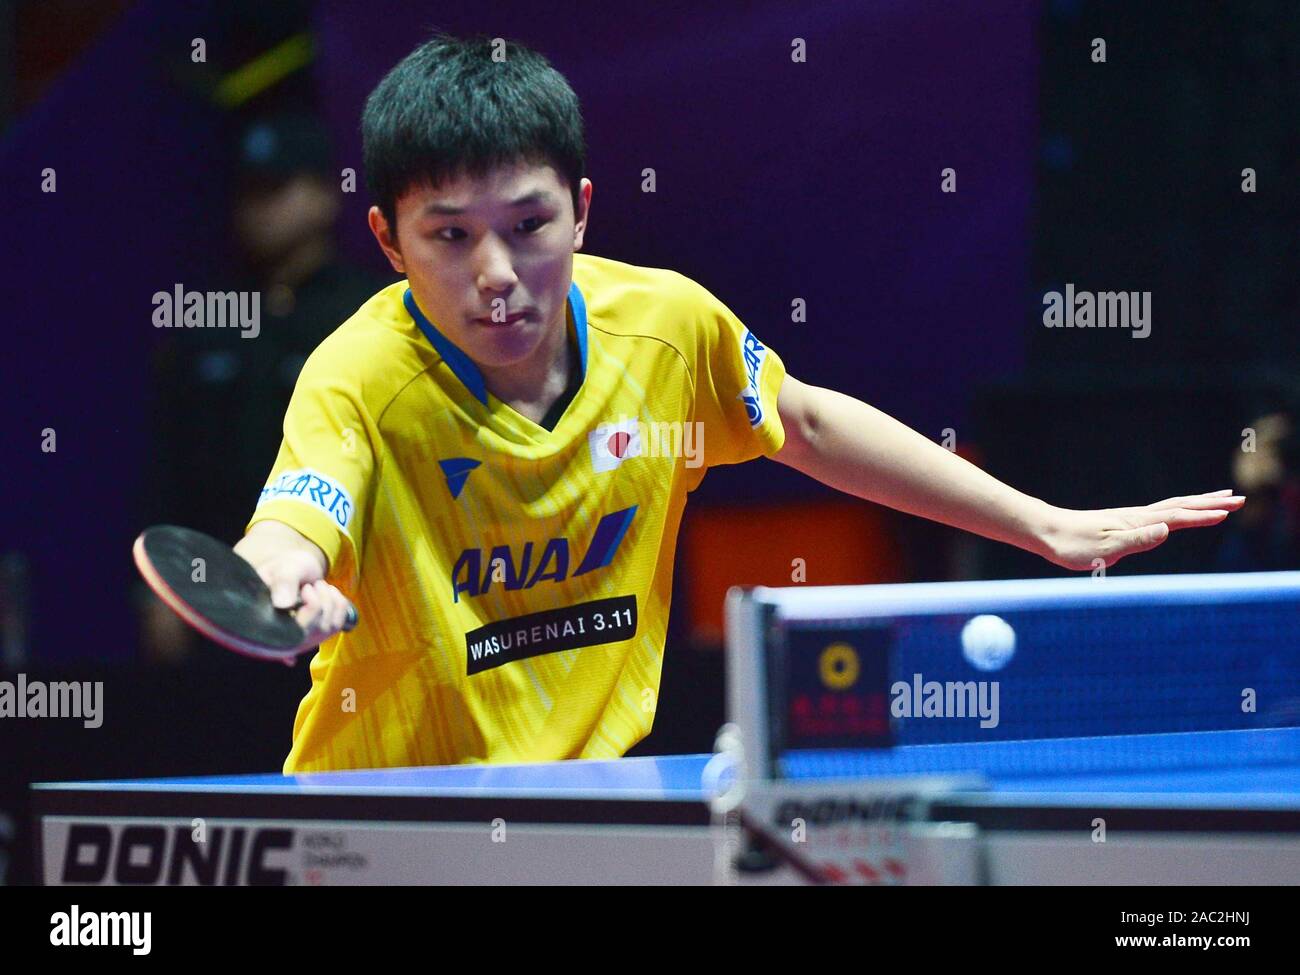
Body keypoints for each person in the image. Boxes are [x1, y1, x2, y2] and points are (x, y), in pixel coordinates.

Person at [233, 34, 1243, 772]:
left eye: (528, 223)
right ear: (386, 241)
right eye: (449, 236)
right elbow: (292, 523)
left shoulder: (665, 329)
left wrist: (1042, 524)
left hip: (583, 812)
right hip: (385, 823)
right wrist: (278, 583)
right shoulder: (359, 375)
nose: (496, 272)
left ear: (581, 211)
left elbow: (800, 423)